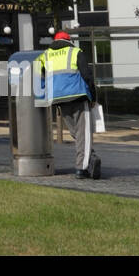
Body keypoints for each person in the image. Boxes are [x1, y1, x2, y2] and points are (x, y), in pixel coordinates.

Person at [38, 30, 101, 179]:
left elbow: (38, 77)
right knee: (83, 133)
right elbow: (87, 75)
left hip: (58, 98)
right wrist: (93, 97)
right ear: (69, 41)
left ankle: (89, 157)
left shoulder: (44, 55)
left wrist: (45, 96)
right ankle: (82, 168)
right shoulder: (75, 52)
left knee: (76, 133)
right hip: (78, 96)